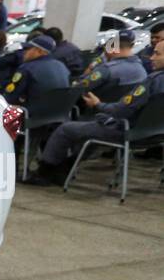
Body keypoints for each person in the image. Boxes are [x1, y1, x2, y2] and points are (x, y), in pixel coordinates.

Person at [30, 37, 164, 185]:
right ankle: (65, 168)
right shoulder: (140, 69)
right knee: (90, 132)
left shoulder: (108, 70)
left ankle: (44, 173)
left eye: (157, 54)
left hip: (126, 129)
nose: (152, 57)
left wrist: (98, 104)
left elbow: (116, 107)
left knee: (64, 129)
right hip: (155, 133)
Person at [73, 29, 146, 99]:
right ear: (132, 45)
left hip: (96, 107)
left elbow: (79, 88)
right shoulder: (142, 71)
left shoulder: (107, 69)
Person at [2, 34, 70, 105]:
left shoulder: (27, 68)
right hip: (58, 113)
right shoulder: (62, 67)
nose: (24, 52)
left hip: (31, 113)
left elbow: (10, 98)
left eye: (27, 48)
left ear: (39, 51)